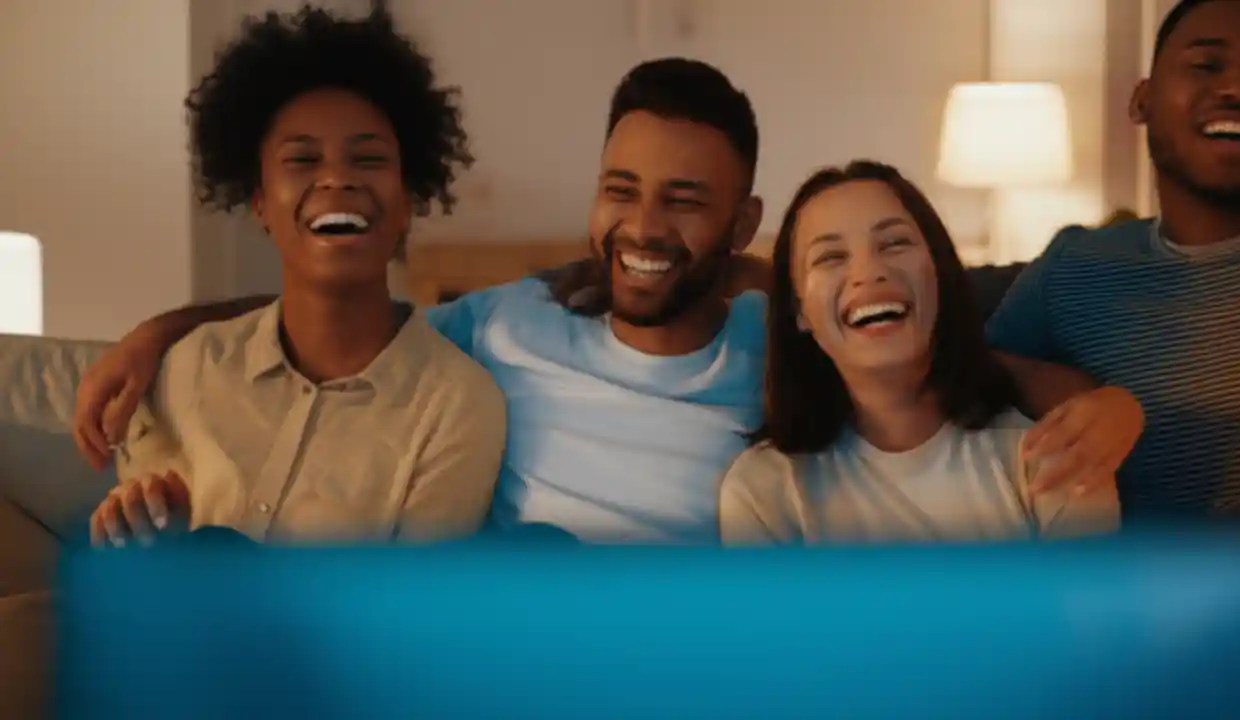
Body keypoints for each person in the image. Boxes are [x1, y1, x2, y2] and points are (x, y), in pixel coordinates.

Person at [75, 57, 1141, 545]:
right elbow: (346, 313)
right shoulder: (501, 324)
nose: (642, 226)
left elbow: (940, 363)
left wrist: (1109, 404)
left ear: (742, 223)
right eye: (620, 189)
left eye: (685, 201)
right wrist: (163, 329)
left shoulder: (785, 339)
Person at [87, 6, 504, 548]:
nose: (337, 178)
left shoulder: (458, 404)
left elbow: (408, 599)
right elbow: (141, 565)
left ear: (407, 201)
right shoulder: (186, 370)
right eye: (303, 160)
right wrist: (137, 534)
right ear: (260, 201)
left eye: (368, 159)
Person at [987, 0, 1240, 523]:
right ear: (1142, 100)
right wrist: (1079, 396)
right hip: (1111, 569)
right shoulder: (1073, 265)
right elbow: (956, 373)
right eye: (1206, 65)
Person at [719, 161, 1120, 544]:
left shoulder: (1056, 460)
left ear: (939, 275)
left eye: (895, 243)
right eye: (830, 257)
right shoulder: (763, 490)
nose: (868, 272)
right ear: (800, 311)